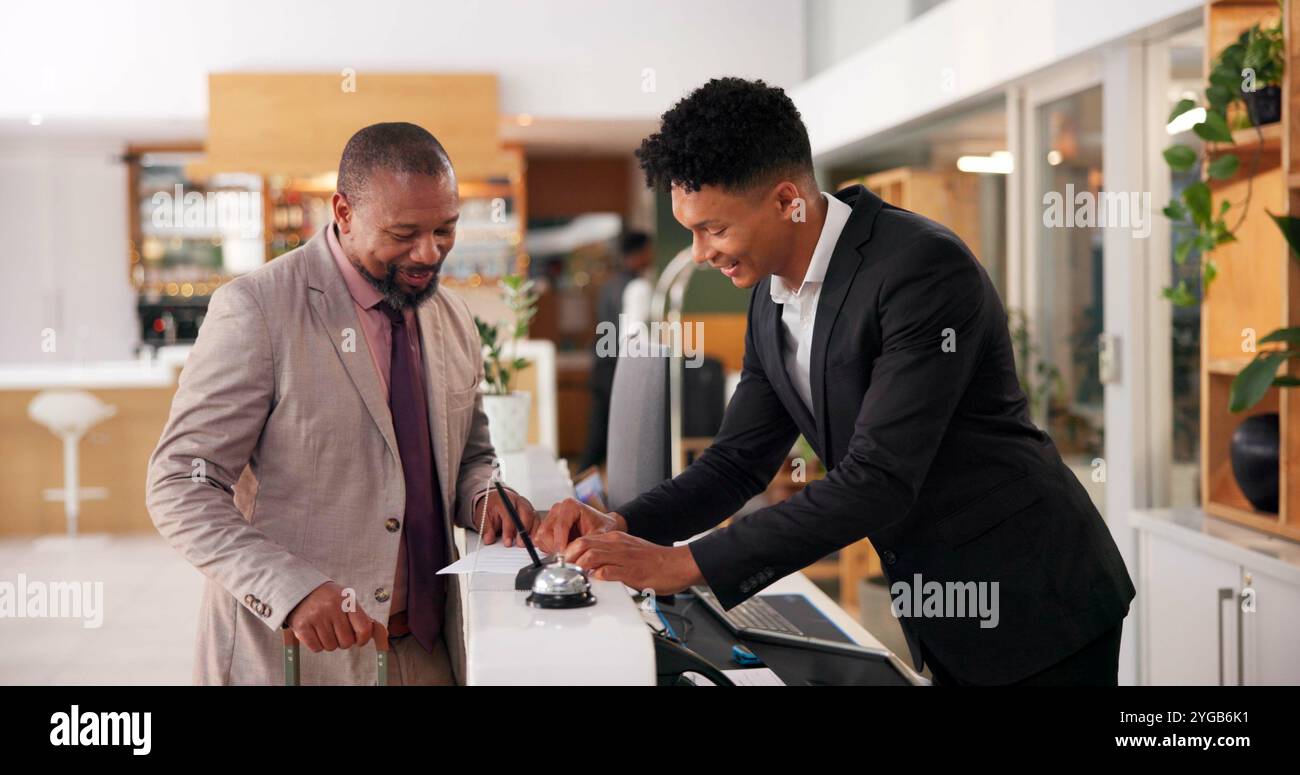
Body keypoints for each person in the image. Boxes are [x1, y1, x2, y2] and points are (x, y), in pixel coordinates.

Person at [534, 78, 1135, 685]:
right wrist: (624, 526)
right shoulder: (769, 298)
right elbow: (738, 462)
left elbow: (877, 481)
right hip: (940, 604)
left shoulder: (920, 269)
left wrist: (686, 564)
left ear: (785, 199)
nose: (699, 252)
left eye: (713, 229)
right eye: (689, 230)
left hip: (1037, 596)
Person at [148, 122, 537, 685]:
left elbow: (473, 455)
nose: (429, 253)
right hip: (298, 659)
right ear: (344, 212)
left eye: (445, 229)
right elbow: (180, 483)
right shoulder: (257, 309)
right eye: (404, 233)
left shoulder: (450, 317)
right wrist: (290, 589)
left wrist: (485, 497)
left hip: (431, 649)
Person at [578, 230, 654, 471]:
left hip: (601, 364)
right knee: (627, 439)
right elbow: (633, 337)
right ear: (640, 253)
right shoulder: (639, 286)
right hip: (621, 368)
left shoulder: (609, 285)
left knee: (598, 436)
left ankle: (579, 488)